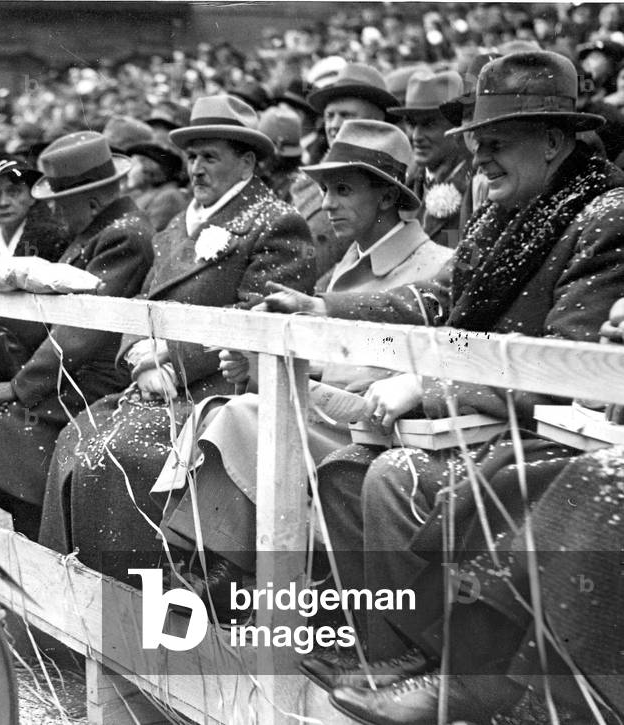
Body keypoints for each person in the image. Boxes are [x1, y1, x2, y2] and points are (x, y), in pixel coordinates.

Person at [262, 51, 624, 719]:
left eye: (497, 143)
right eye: (477, 143)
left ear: (552, 141)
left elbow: (565, 365)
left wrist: (430, 389)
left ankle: (449, 672)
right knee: (346, 472)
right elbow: (434, 299)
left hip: (548, 434)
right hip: (490, 420)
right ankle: (396, 653)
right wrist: (324, 307)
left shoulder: (604, 216)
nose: (480, 158)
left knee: (393, 476)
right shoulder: (503, 213)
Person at [155, 120, 452, 614]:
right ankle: (209, 575)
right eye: (325, 190)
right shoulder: (343, 270)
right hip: (331, 421)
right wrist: (253, 365)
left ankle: (213, 579)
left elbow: (396, 378)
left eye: (343, 190)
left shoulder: (437, 267)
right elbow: (324, 368)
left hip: (382, 433)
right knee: (227, 408)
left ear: (386, 197)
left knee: (236, 414)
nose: (328, 203)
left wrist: (277, 376)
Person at [39, 95, 316, 581]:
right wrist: (139, 359)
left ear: (247, 162)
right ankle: (73, 592)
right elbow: (139, 303)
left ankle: (139, 596)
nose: (196, 169)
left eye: (210, 156)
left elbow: (260, 316)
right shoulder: (179, 222)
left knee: (122, 454)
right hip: (156, 384)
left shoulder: (276, 222)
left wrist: (169, 356)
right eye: (191, 157)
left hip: (220, 392)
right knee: (75, 436)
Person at [0, 131, 155, 539]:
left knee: (15, 426)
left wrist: (19, 386)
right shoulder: (103, 228)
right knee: (6, 427)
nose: (54, 212)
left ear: (91, 202)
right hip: (75, 370)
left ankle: (41, 548)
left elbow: (84, 329)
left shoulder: (124, 235)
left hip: (98, 376)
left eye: (60, 203)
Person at [0, 157, 70, 396]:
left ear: (32, 196)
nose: (3, 202)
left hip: (33, 353)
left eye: (13, 192)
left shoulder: (53, 238)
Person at [293, 63, 400, 278]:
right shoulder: (309, 180)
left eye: (346, 115)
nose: (334, 125)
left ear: (375, 121)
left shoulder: (392, 179)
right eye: (329, 116)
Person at [388, 70, 472, 248]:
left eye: (429, 124)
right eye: (412, 124)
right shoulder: (402, 183)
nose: (416, 136)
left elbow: (469, 259)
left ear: (457, 128)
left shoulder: (476, 187)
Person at [123, 139, 188, 231]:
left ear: (149, 169)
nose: (128, 171)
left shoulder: (169, 197)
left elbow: (149, 234)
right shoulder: (139, 194)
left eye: (133, 165)